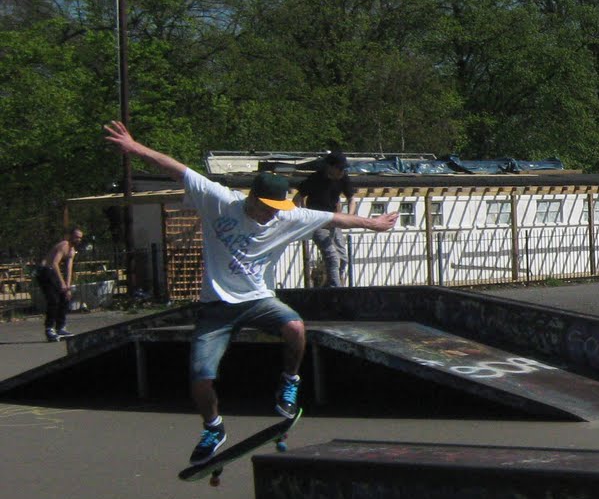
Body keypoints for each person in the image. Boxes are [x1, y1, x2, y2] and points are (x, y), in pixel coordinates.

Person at [102, 121, 398, 466]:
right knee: (200, 377)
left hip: (258, 300)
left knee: (296, 328)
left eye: (278, 208)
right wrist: (136, 147)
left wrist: (373, 224)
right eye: (268, 207)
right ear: (252, 199)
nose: (273, 214)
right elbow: (176, 169)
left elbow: (334, 218)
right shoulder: (219, 200)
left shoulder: (289, 216)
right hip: (216, 307)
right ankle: (213, 427)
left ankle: (289, 381)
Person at [296, 148, 356, 287]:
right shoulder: (315, 179)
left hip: (334, 221)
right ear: (330, 167)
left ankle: (330, 283)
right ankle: (336, 289)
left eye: (343, 169)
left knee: (343, 258)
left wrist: (349, 217)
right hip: (317, 223)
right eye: (339, 169)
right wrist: (304, 217)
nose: (342, 172)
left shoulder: (343, 179)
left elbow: (352, 199)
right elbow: (298, 198)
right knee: (332, 257)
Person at [35, 227, 84, 342]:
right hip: (45, 271)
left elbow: (68, 268)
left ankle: (61, 327)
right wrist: (62, 283)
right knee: (53, 300)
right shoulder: (64, 245)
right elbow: (54, 263)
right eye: (76, 236)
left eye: (80, 238)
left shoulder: (72, 251)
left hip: (52, 272)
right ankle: (49, 329)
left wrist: (68, 287)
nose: (78, 239)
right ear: (70, 236)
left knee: (65, 297)